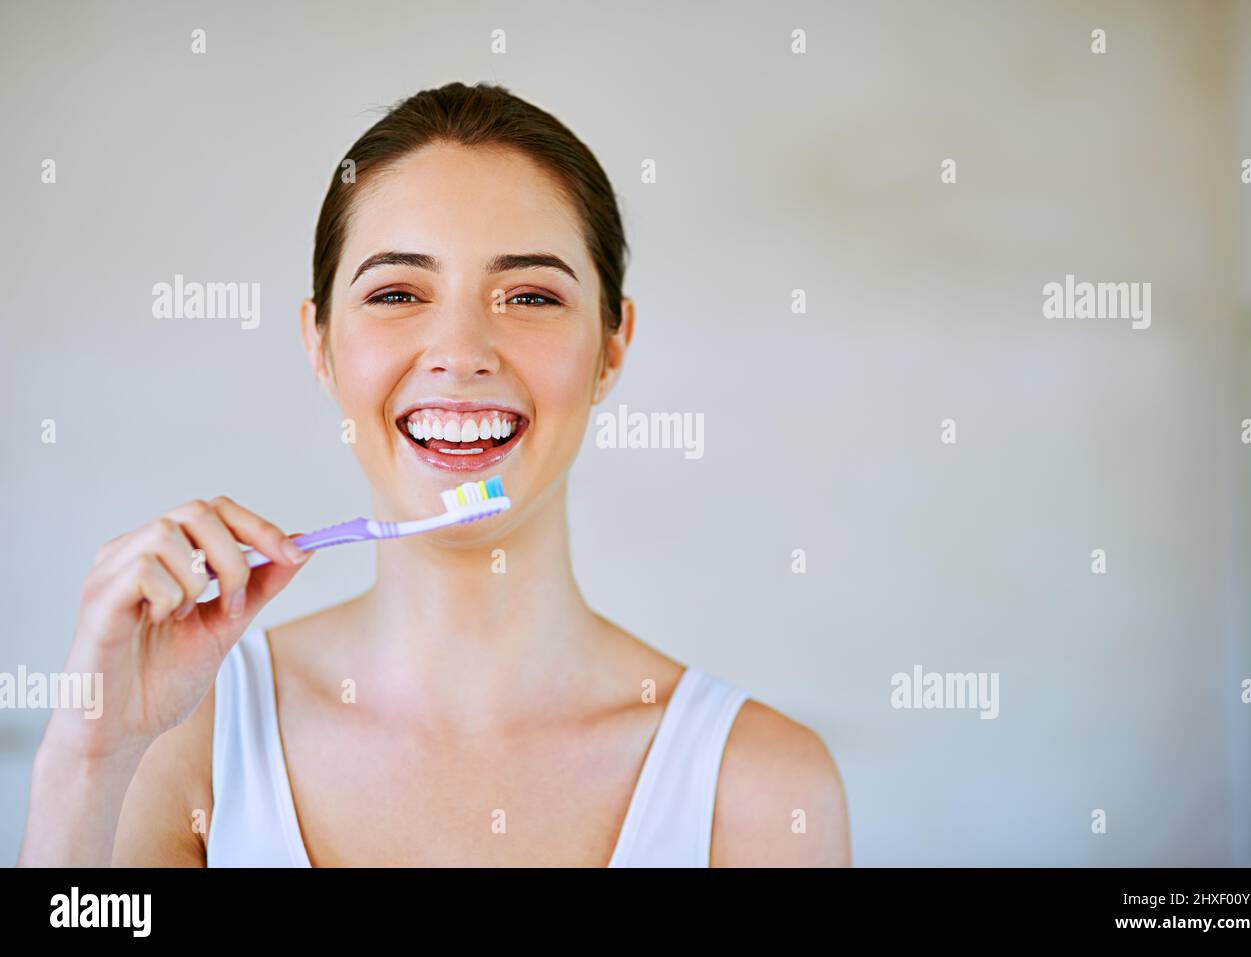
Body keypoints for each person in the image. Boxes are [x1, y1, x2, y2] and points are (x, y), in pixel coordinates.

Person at [19, 82, 850, 867]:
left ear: (613, 346)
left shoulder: (760, 789)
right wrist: (90, 759)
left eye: (529, 296)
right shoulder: (184, 744)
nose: (460, 355)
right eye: (396, 293)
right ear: (320, 343)